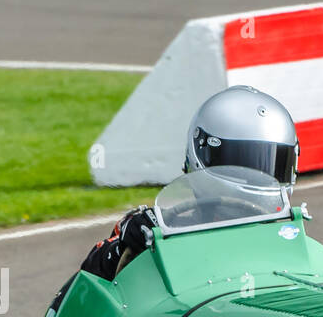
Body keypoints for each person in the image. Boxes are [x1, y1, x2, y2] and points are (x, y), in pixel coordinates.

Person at [77, 85, 299, 281]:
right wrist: (125, 244)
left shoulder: (292, 242)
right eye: (244, 162)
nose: (257, 177)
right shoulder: (152, 232)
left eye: (272, 163)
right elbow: (86, 288)